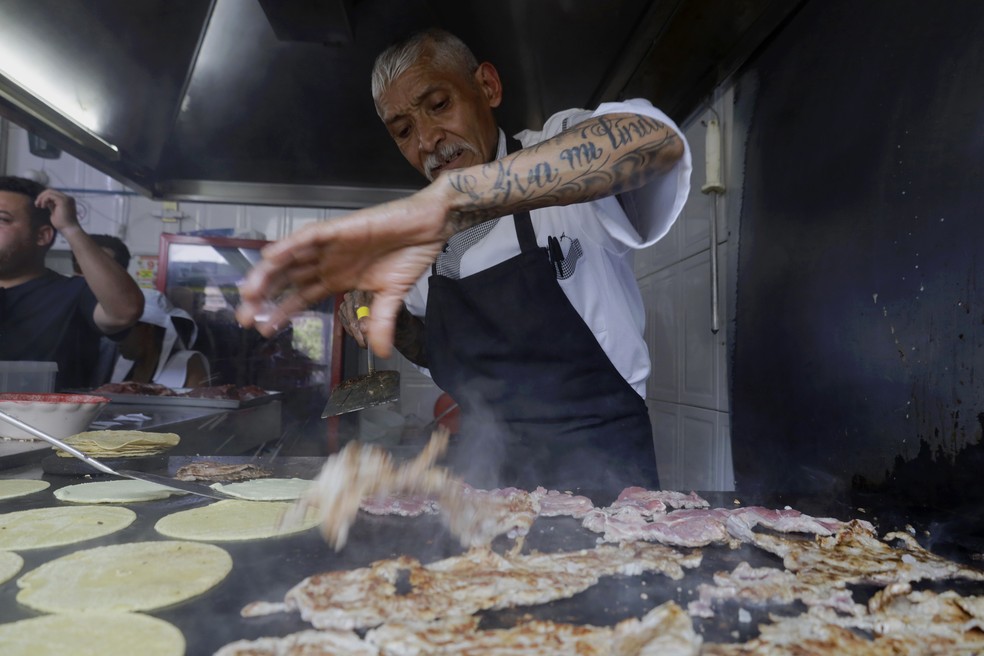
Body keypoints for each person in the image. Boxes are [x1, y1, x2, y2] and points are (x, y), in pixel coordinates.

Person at [236, 28, 691, 498]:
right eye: (404, 131)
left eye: (438, 104)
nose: (429, 140)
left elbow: (654, 142)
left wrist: (457, 198)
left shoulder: (557, 148)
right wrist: (391, 326)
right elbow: (440, 354)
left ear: (487, 87)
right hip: (489, 478)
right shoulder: (424, 249)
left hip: (608, 475)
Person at [0, 176, 144, 390]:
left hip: (45, 422)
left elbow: (125, 311)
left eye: (2, 219)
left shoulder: (73, 293)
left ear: (42, 236)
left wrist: (70, 228)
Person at [111, 289, 210, 388]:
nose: (117, 337)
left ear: (148, 329)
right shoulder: (125, 365)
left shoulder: (187, 363)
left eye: (123, 330)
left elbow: (197, 401)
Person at [71, 233, 133, 386]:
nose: (91, 273)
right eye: (83, 264)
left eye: (102, 266)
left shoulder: (127, 313)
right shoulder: (56, 302)